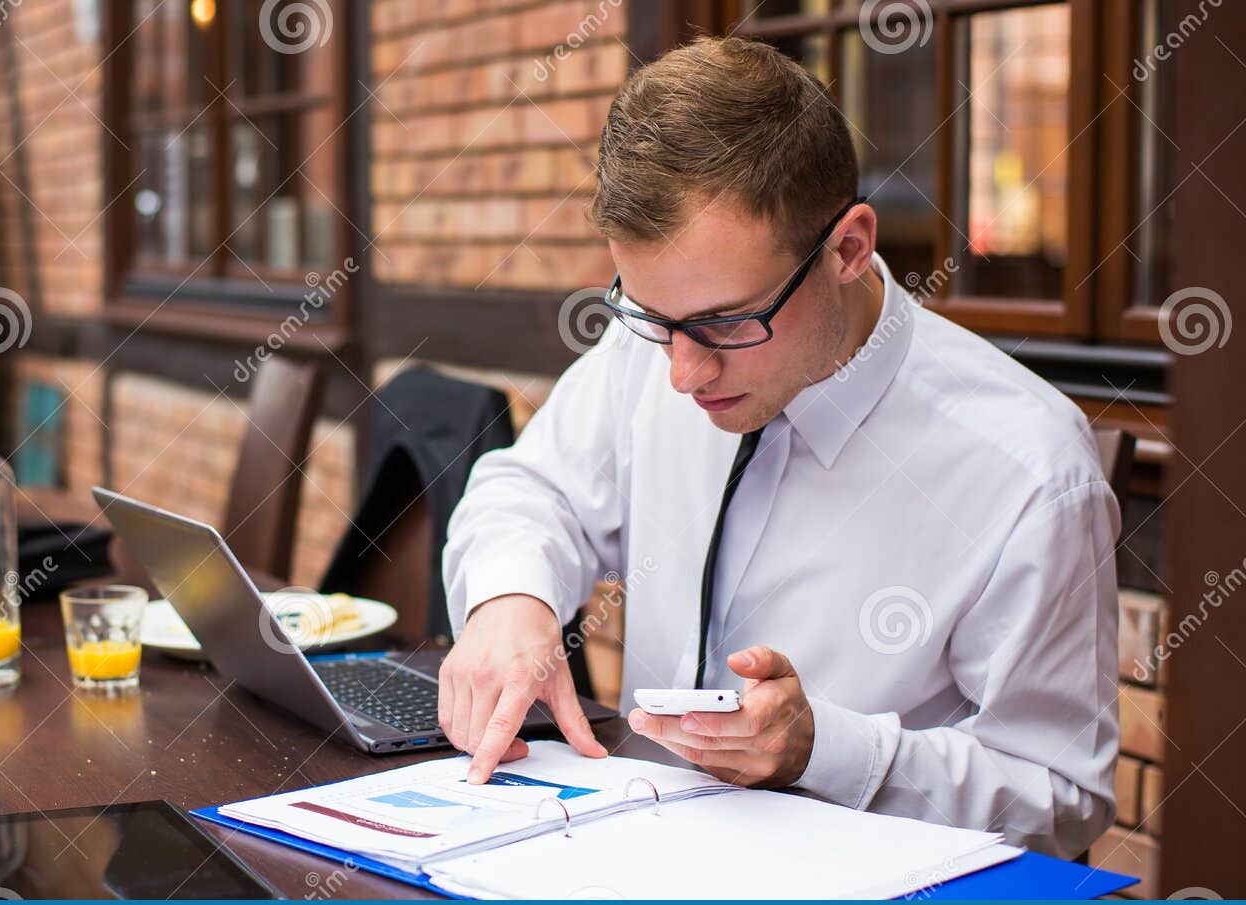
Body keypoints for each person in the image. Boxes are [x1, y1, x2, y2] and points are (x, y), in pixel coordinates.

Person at [437, 35, 1118, 858]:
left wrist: (825, 751)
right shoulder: (652, 349)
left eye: (727, 322)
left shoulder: (1029, 469)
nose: (683, 373)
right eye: (652, 319)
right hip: (628, 869)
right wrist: (512, 603)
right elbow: (529, 489)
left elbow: (1064, 798)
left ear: (848, 248)